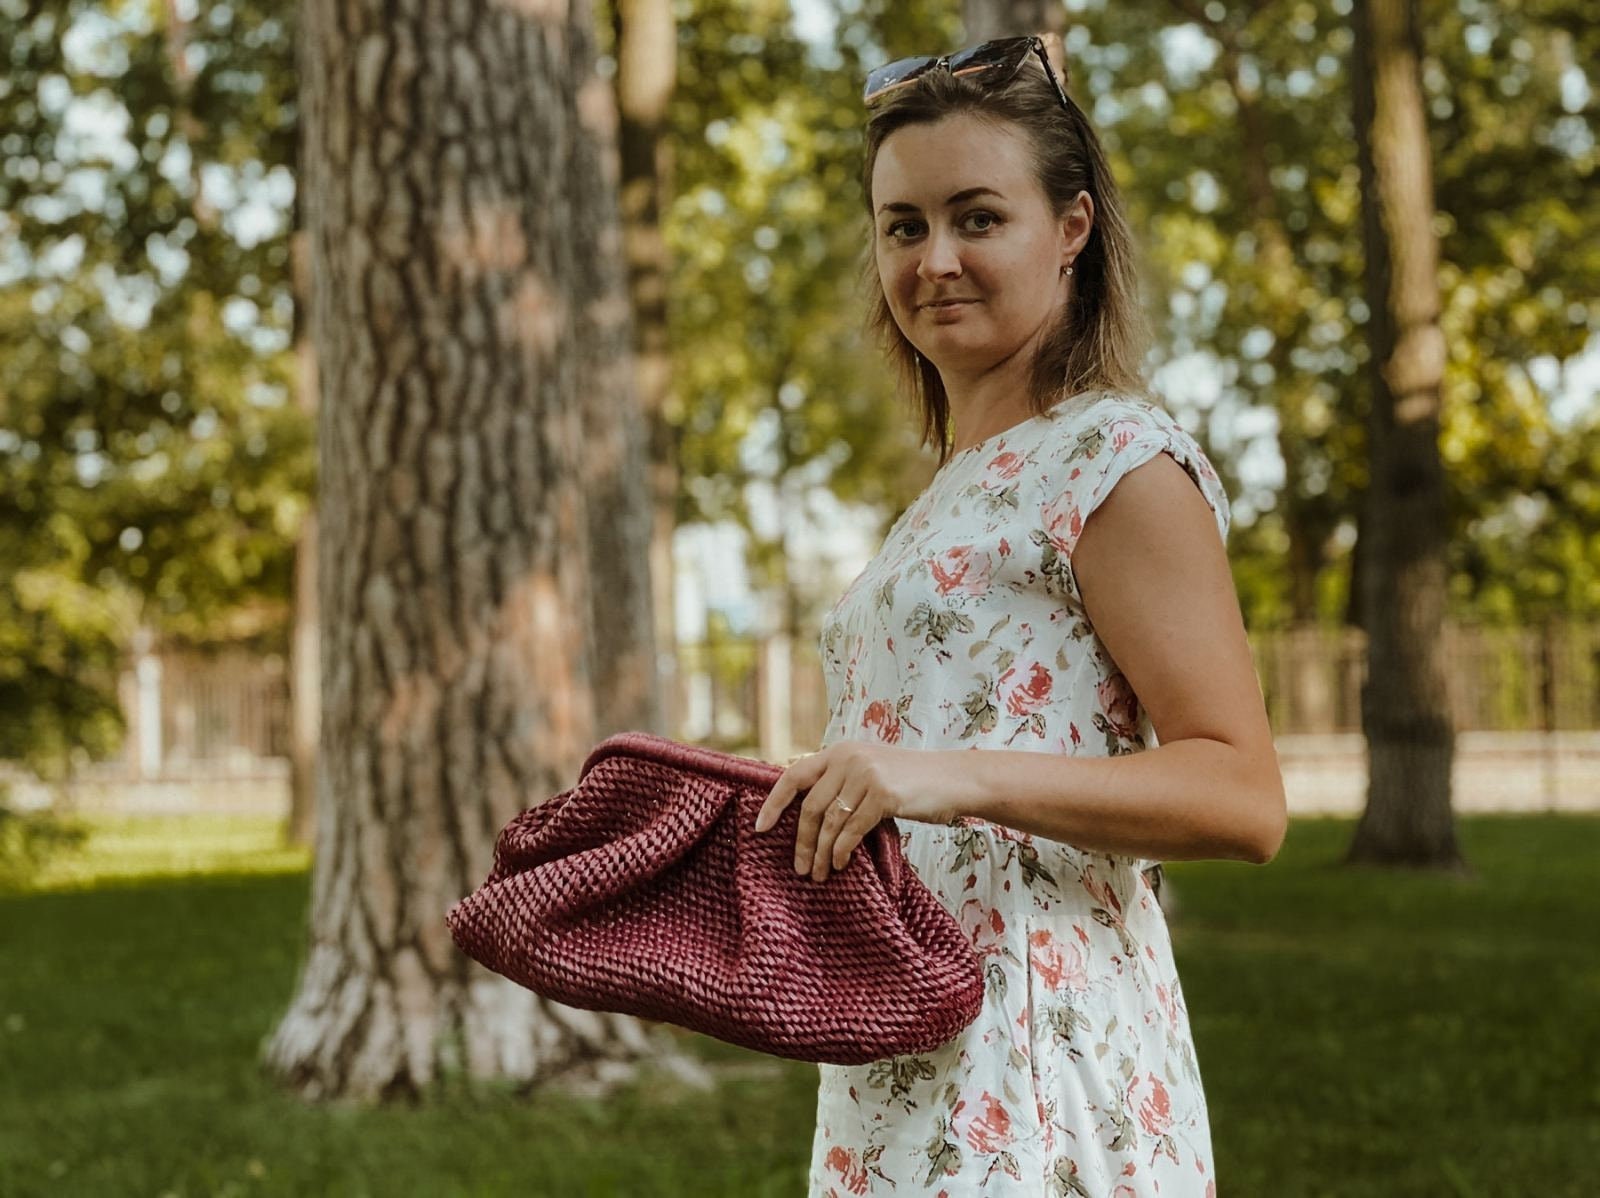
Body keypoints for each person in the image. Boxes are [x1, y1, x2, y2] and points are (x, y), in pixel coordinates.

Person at [751, 33, 1287, 1197]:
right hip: (905, 1051)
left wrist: (941, 774)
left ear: (1073, 229)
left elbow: (1241, 794)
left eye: (976, 217)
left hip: (1036, 1064)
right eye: (903, 225)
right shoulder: (955, 485)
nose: (933, 258)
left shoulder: (1114, 461)